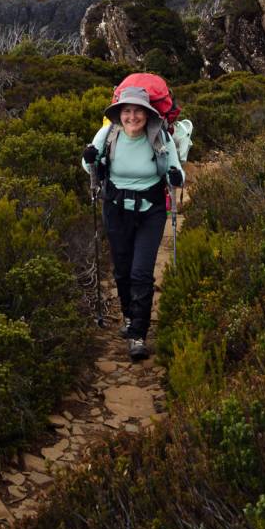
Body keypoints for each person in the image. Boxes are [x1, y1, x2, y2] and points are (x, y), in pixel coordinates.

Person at [81, 86, 184, 360]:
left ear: (147, 113)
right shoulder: (108, 133)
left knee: (140, 273)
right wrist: (90, 160)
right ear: (119, 113)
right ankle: (129, 318)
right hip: (116, 210)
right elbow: (89, 163)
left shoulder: (159, 135)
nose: (132, 116)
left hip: (151, 212)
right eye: (127, 111)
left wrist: (176, 177)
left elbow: (177, 171)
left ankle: (138, 333)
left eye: (138, 111)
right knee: (123, 271)